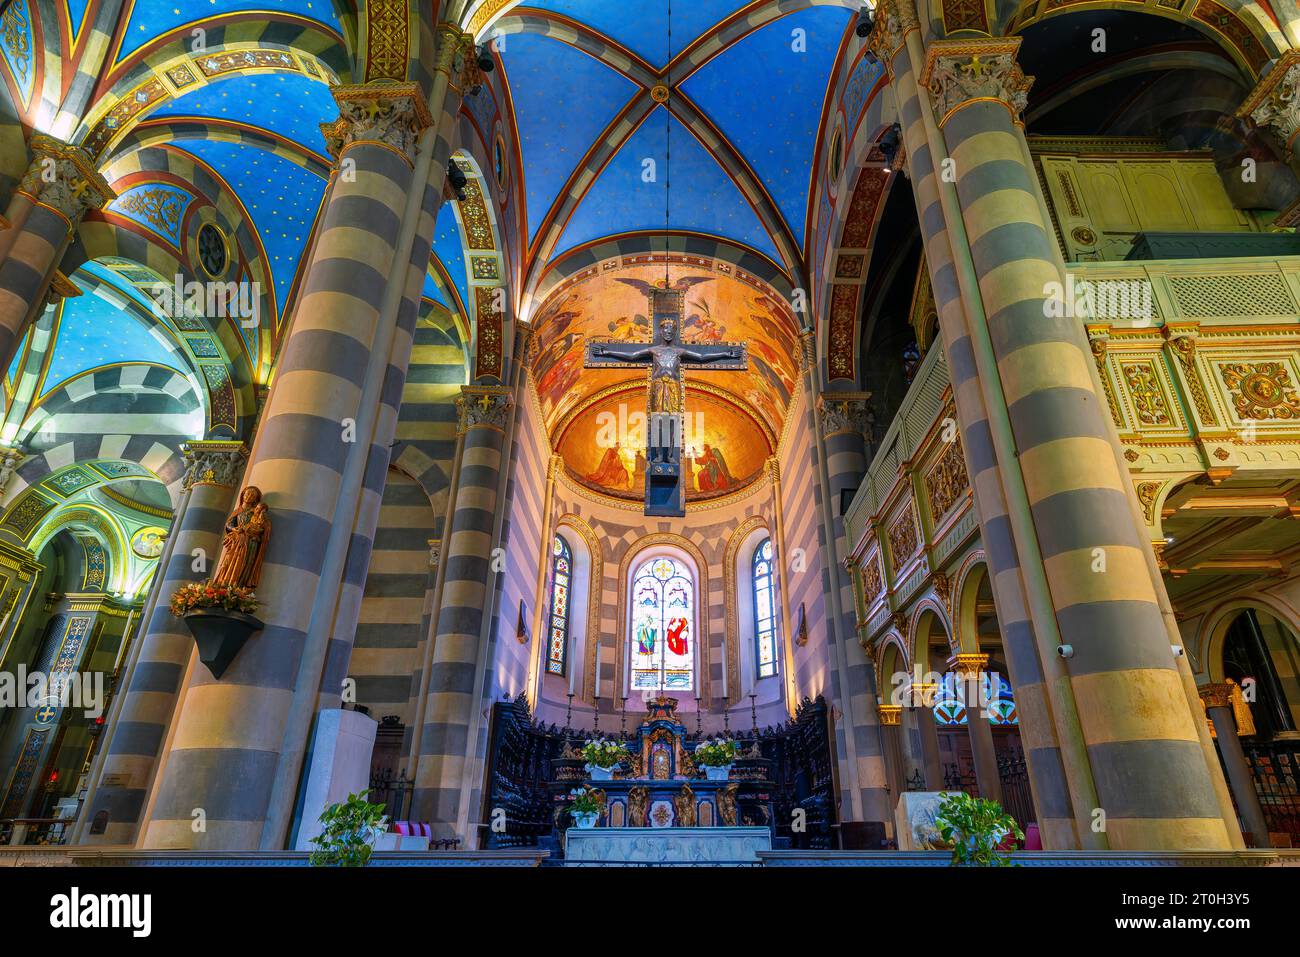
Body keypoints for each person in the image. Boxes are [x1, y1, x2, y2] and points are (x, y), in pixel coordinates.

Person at [212, 486, 270, 589]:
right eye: (247, 494)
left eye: (252, 495)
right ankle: (224, 585)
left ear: (255, 499)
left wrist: (247, 529)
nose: (249, 496)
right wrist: (235, 529)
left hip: (249, 543)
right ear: (243, 495)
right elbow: (229, 524)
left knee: (243, 565)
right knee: (228, 562)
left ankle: (236, 587)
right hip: (236, 541)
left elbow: (260, 526)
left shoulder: (255, 512)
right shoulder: (237, 511)